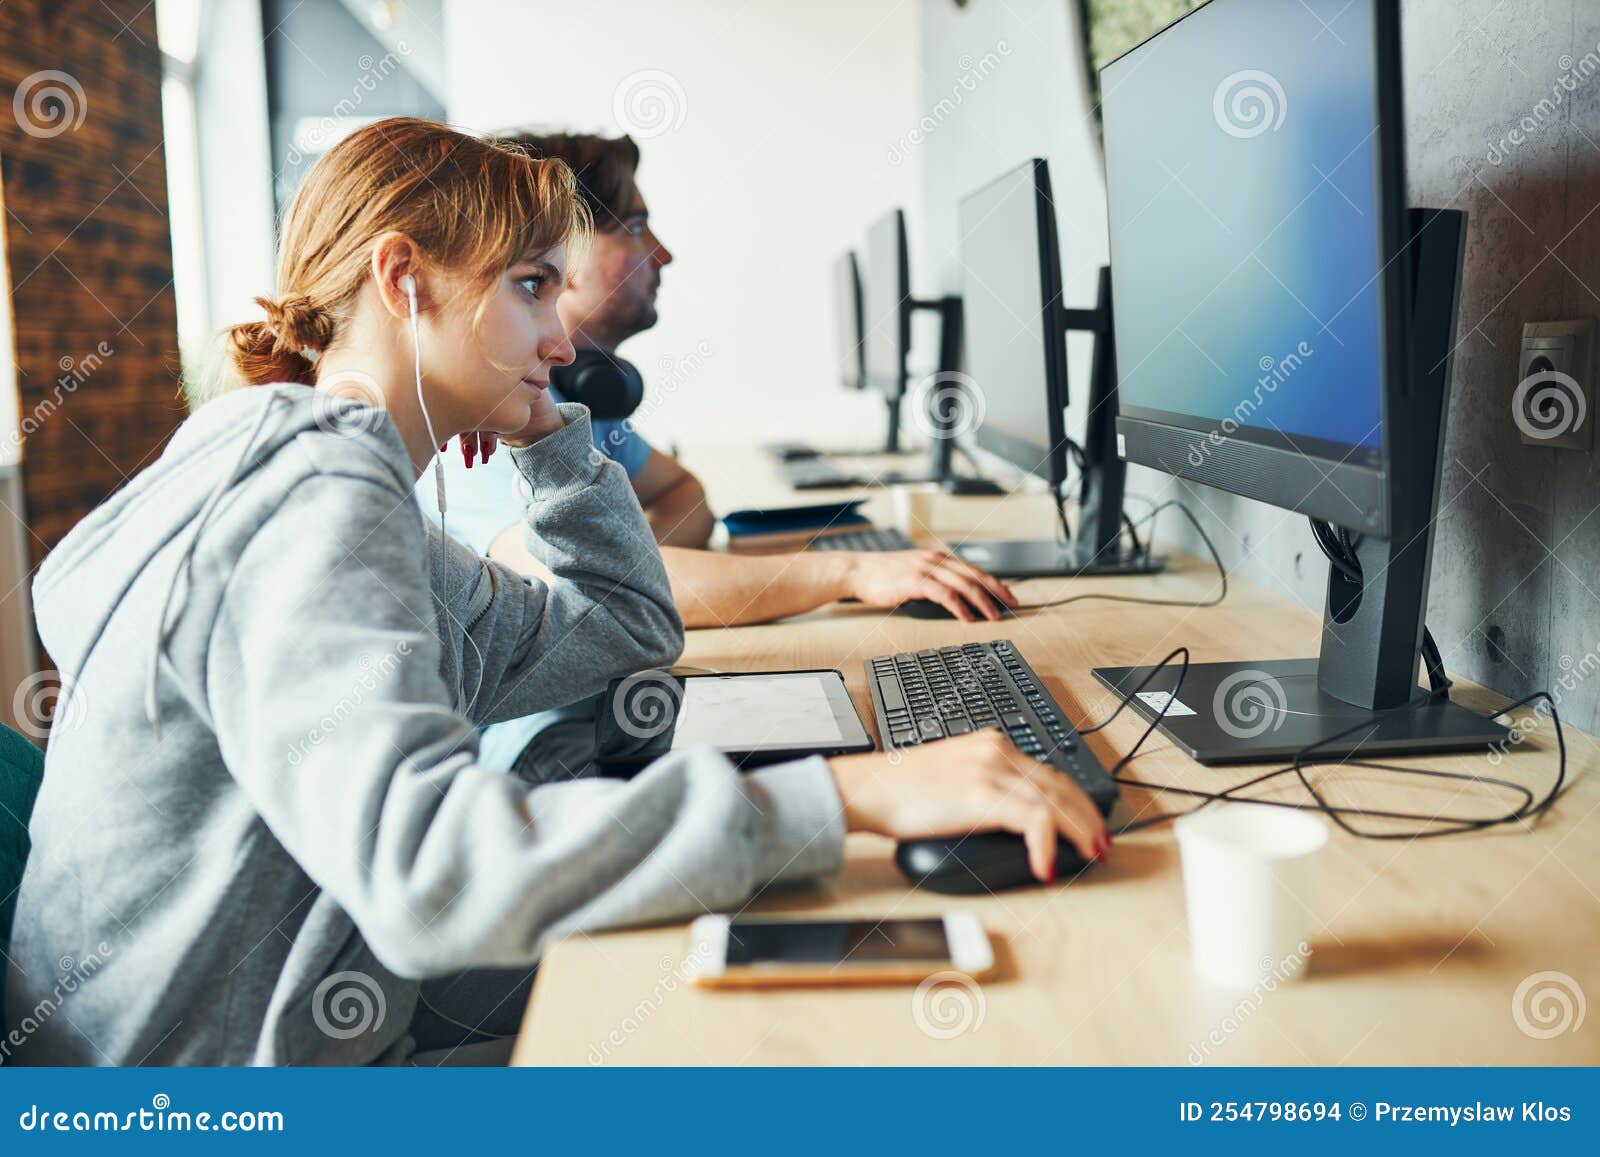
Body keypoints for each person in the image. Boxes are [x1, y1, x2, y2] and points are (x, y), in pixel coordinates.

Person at [4, 117, 1108, 1067]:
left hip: (302, 1021)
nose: (564, 334)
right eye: (531, 285)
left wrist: (552, 440)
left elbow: (624, 629)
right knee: (774, 1055)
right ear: (404, 279)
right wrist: (854, 794)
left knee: (732, 986)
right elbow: (431, 874)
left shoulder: (324, 476)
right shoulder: (315, 489)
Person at [418, 130, 1019, 782]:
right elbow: (589, 591)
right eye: (638, 226)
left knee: (885, 721)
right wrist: (848, 573)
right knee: (897, 758)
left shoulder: (562, 407)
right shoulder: (487, 419)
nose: (664, 252)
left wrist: (636, 557)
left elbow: (684, 498)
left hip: (622, 699)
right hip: (550, 745)